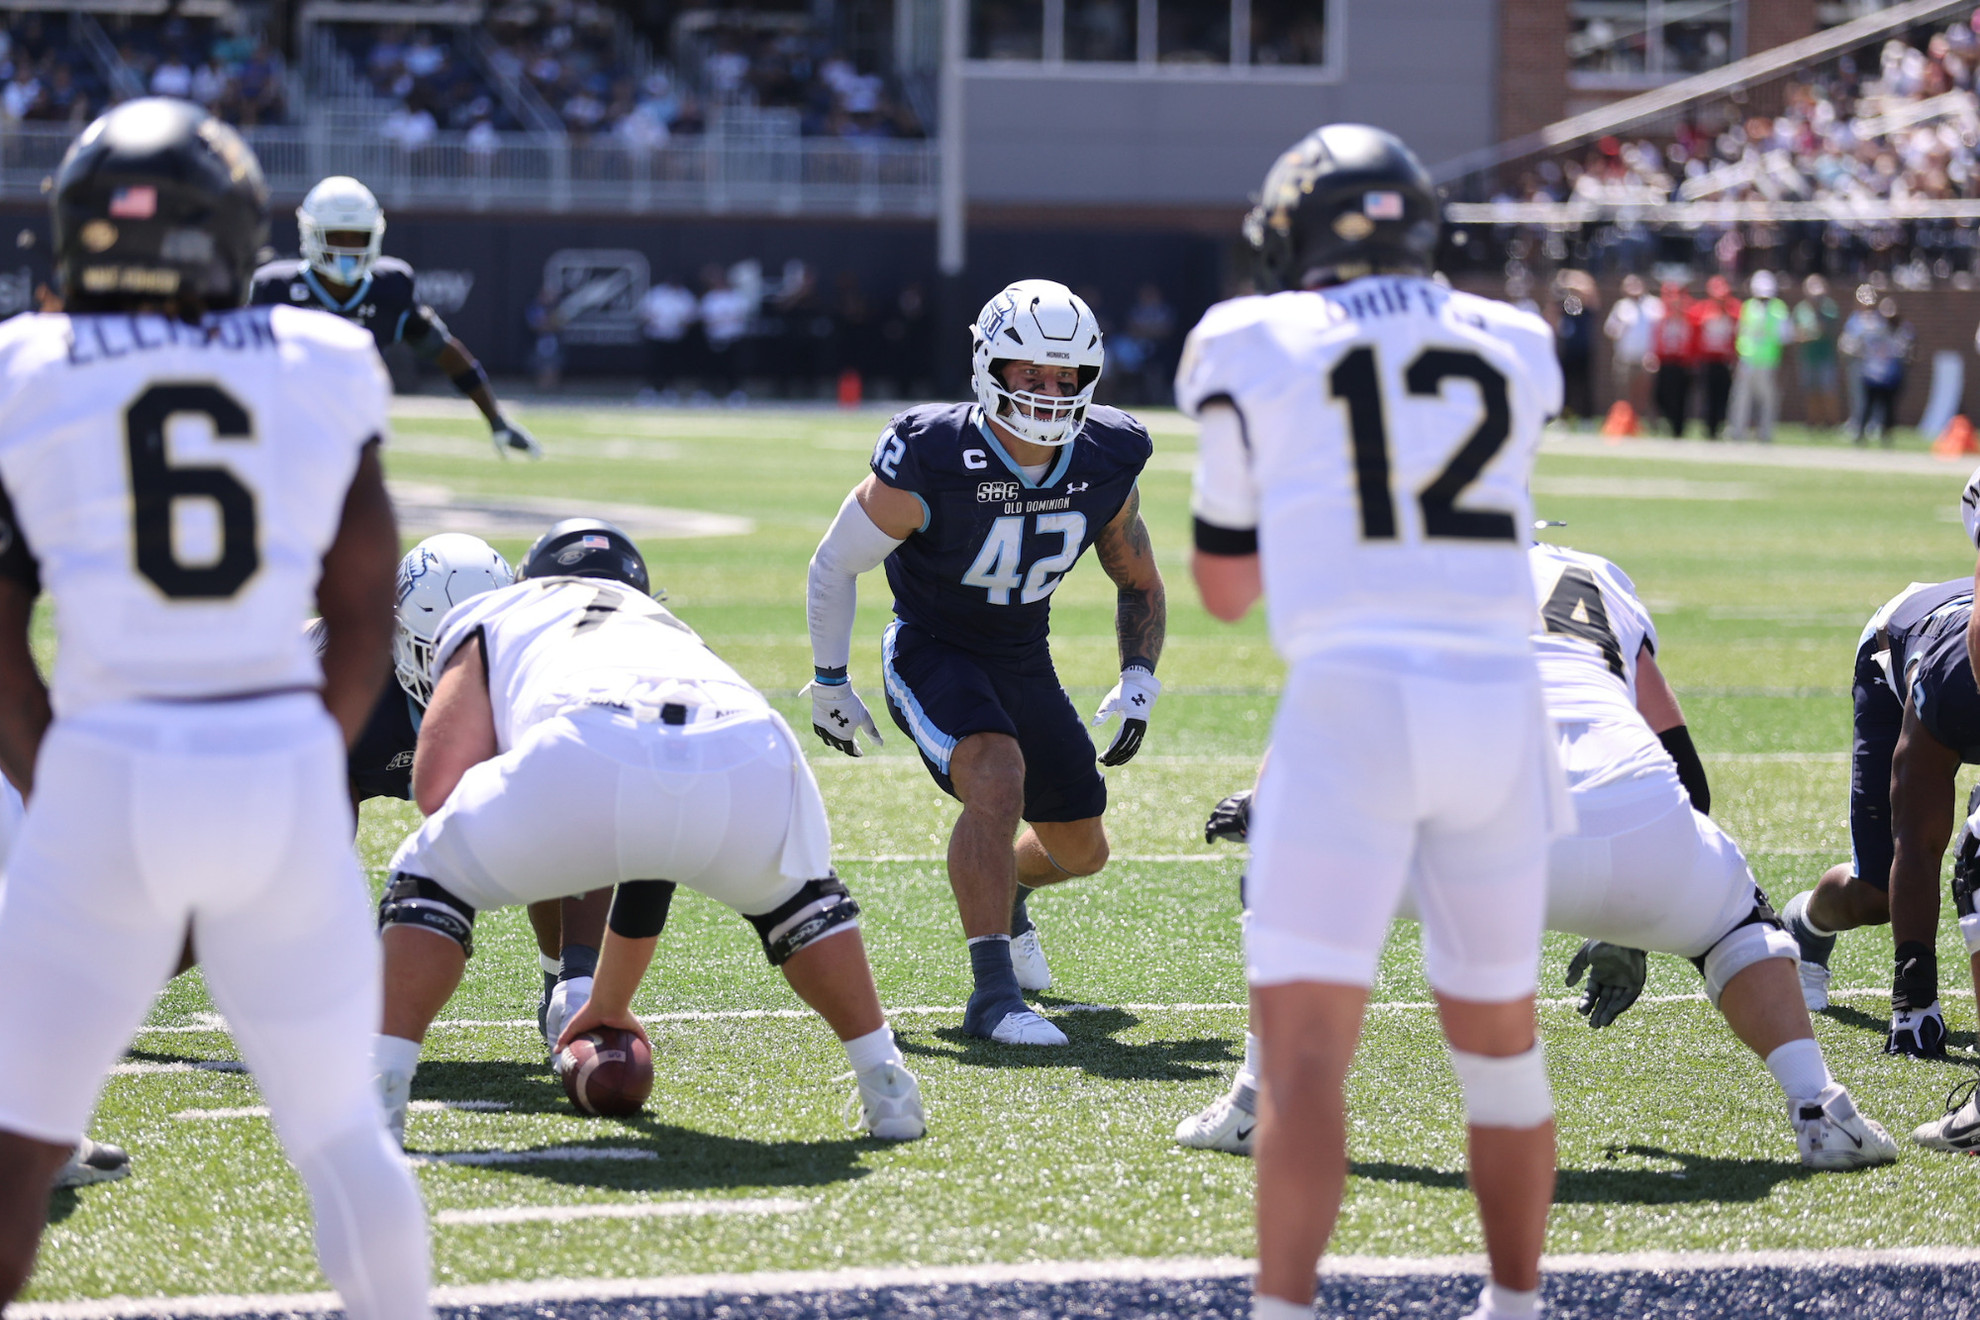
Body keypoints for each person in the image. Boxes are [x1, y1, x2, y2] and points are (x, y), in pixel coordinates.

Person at [0, 99, 428, 1316]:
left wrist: (55, 767)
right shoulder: (320, 358)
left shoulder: (25, 367)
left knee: (19, 1145)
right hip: (273, 759)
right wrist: (299, 748)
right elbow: (363, 605)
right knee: (344, 1139)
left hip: (106, 757)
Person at [1179, 124, 1560, 1320]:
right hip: (1503, 706)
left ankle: (1285, 1311)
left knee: (1299, 1061)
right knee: (1502, 1046)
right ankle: (1515, 1304)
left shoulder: (1251, 338)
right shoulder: (1519, 340)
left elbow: (1226, 592)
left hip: (1354, 704)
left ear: (1294, 233)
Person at [1180, 543, 1899, 1173]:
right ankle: (1821, 1108)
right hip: (1631, 813)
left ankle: (1261, 1101)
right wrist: (1639, 918)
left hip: (1459, 830)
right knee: (1740, 924)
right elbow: (1688, 773)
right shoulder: (1594, 576)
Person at [371, 520, 924, 1145]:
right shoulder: (668, 630)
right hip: (748, 741)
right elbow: (655, 842)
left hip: (592, 730)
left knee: (427, 881)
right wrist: (606, 1002)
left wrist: (517, 826)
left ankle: (383, 1087)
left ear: (529, 580)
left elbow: (437, 788)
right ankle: (886, 1079)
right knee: (801, 903)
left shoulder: (503, 611)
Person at [802, 278, 1163, 1048]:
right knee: (996, 778)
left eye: (1065, 378)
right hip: (932, 645)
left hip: (1022, 654)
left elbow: (1137, 578)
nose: (1048, 392)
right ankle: (992, 997)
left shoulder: (1107, 454)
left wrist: (1139, 674)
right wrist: (829, 680)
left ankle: (1009, 897)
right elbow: (835, 564)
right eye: (1030, 374)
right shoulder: (933, 454)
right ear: (989, 367)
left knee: (1082, 851)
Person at [1782, 577, 1980, 1061]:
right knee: (1876, 894)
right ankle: (1804, 926)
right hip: (1901, 644)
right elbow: (1918, 842)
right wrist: (1914, 997)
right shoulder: (1948, 685)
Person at [250, 175, 539, 460]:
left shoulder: (388, 289)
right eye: (335, 236)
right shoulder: (275, 290)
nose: (346, 248)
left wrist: (495, 418)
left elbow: (447, 353)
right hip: (282, 433)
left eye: (357, 237)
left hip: (354, 436)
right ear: (311, 234)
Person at [1727, 270, 1790, 442]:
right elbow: (1740, 334)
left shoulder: (1779, 309)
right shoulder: (1747, 307)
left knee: (1768, 401)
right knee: (1741, 399)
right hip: (1747, 361)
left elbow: (1784, 337)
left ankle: (1765, 434)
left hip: (1768, 363)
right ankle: (1737, 433)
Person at [1847, 298, 1913, 446]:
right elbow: (1857, 343)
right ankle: (1860, 436)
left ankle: (1886, 436)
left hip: (1891, 375)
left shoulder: (1902, 329)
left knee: (1888, 408)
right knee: (1867, 406)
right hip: (1872, 373)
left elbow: (1906, 350)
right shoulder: (1873, 327)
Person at [1602, 273, 1660, 417]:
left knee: (1645, 394)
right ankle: (1625, 422)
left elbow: (1660, 331)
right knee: (1624, 392)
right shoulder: (1621, 306)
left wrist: (1655, 353)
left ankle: (1643, 422)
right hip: (1625, 358)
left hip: (1647, 358)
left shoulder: (1654, 305)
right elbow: (1610, 331)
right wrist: (1621, 326)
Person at [1689, 274, 1740, 438]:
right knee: (1708, 396)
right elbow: (1693, 331)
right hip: (1708, 362)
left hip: (1725, 362)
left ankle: (1722, 426)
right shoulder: (1702, 310)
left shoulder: (1734, 311)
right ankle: (1709, 429)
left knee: (1725, 396)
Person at [1794, 275, 1843, 431]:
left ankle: (1832, 423)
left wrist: (1811, 333)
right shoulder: (1800, 309)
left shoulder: (1829, 307)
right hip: (1808, 357)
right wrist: (1810, 334)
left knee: (1828, 390)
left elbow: (1826, 330)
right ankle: (1813, 422)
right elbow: (1797, 333)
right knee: (1810, 391)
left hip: (1825, 357)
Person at [1649, 279, 1696, 437]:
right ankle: (1669, 421)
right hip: (1666, 362)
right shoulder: (1663, 318)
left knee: (1681, 397)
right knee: (1661, 396)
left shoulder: (1689, 318)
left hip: (1682, 363)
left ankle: (1678, 430)